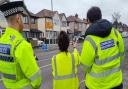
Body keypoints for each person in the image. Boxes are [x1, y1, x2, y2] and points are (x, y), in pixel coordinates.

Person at [0, 1, 42, 89]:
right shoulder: (22, 45)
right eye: (23, 18)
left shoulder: (1, 41)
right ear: (18, 18)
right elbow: (37, 80)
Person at [80, 6, 124, 89]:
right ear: (100, 17)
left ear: (88, 21)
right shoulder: (115, 33)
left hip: (96, 85)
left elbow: (84, 66)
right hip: (116, 83)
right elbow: (121, 54)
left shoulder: (90, 39)